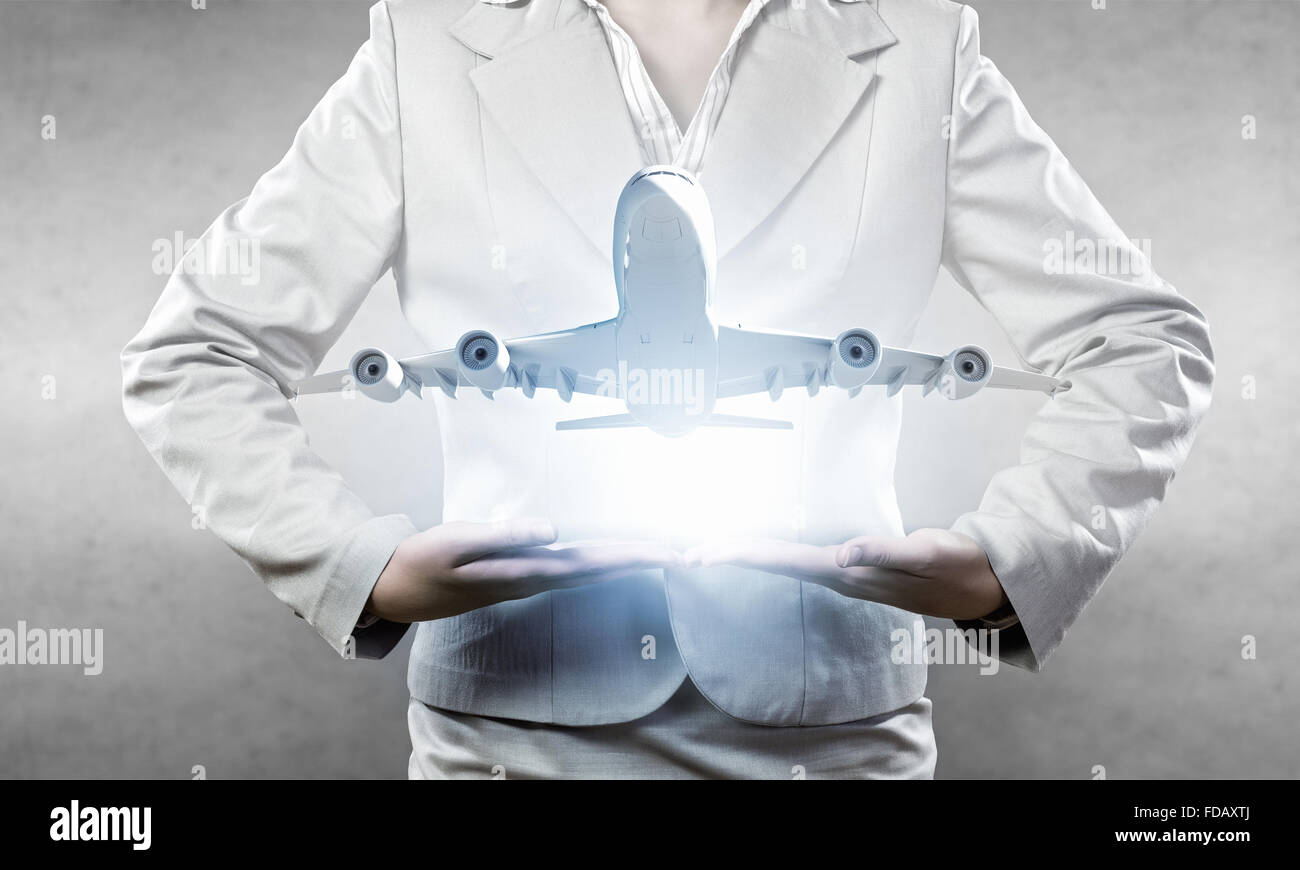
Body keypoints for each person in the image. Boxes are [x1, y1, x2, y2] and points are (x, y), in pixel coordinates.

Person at [121, 0, 1214, 779]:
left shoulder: (918, 42)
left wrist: (1005, 562)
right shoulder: (425, 42)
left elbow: (1142, 337)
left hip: (829, 732)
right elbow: (192, 355)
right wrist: (362, 568)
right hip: (511, 731)